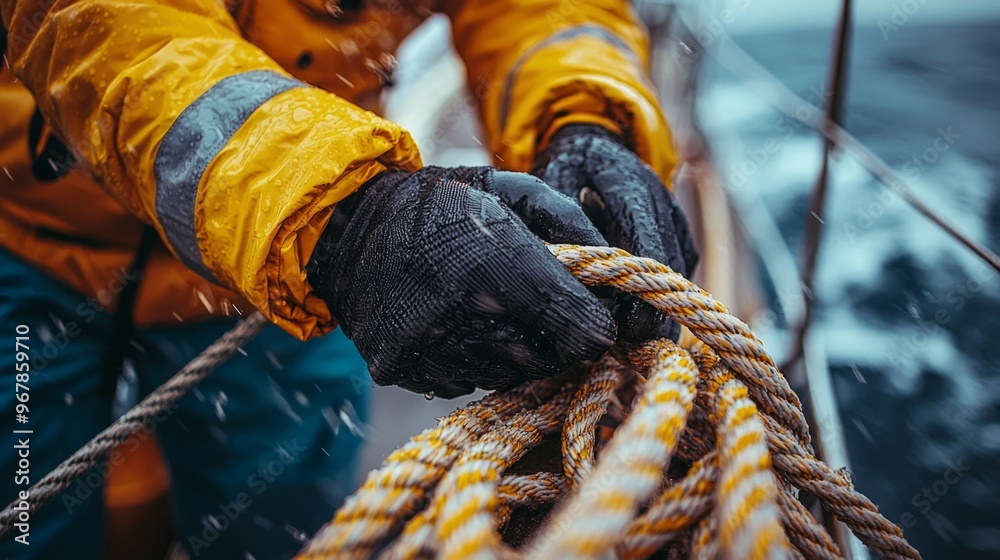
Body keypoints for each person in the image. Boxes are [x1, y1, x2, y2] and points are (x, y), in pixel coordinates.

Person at [0, 0, 698, 557]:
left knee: (281, 526)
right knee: (29, 527)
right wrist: (343, 226)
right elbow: (100, 25)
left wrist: (581, 118)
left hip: (279, 277)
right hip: (39, 250)